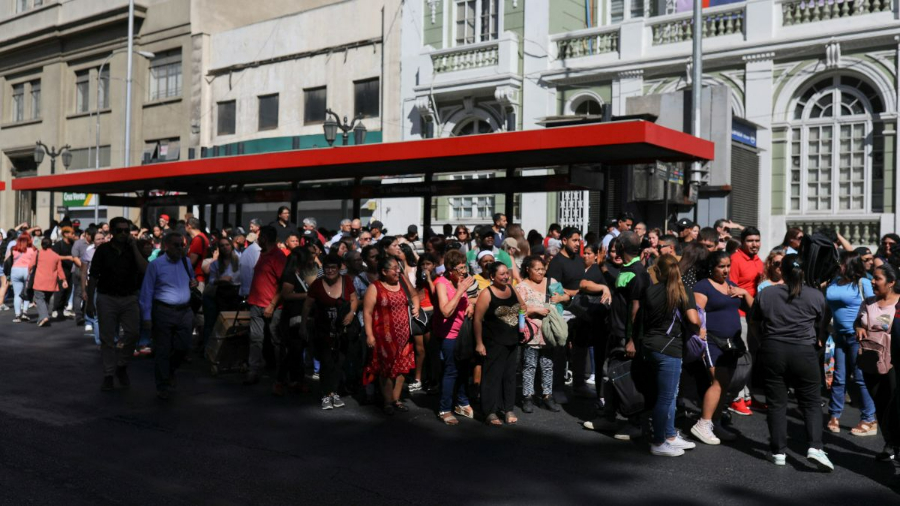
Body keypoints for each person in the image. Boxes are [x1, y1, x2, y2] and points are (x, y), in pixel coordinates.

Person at [749, 254, 832, 471]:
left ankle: (778, 451)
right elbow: (820, 325)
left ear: (781, 271)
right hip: (804, 352)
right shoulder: (816, 295)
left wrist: (764, 342)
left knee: (777, 404)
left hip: (773, 349)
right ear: (804, 271)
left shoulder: (766, 293)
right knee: (812, 402)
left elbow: (754, 324)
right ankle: (815, 446)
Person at [589, 232, 650, 440]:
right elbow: (618, 288)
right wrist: (603, 268)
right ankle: (609, 417)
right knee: (610, 375)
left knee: (629, 379)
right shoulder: (627, 269)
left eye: (616, 247)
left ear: (622, 248)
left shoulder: (638, 273)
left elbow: (636, 310)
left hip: (626, 336)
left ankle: (636, 424)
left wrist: (632, 339)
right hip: (615, 332)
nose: (613, 251)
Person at [690, 250, 753, 444]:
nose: (725, 270)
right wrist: (700, 335)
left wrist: (745, 293)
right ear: (712, 267)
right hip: (712, 341)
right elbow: (697, 314)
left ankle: (715, 423)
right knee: (718, 380)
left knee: (724, 384)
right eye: (721, 266)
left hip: (731, 343)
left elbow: (754, 308)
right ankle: (703, 423)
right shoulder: (703, 286)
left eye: (728, 266)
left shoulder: (733, 286)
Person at [641, 254, 701, 457]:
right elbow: (694, 319)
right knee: (666, 397)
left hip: (650, 345)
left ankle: (669, 435)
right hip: (670, 348)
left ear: (659, 271)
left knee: (669, 395)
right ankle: (658, 441)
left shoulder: (650, 290)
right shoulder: (683, 292)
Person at [87, 217, 148, 391]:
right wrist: (90, 301)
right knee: (107, 339)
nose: (123, 234)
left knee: (133, 333)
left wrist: (135, 246)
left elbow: (145, 269)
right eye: (119, 230)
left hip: (129, 297)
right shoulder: (103, 250)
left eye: (126, 230)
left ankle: (122, 366)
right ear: (112, 232)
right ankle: (108, 375)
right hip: (107, 297)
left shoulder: (133, 249)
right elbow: (93, 277)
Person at [139, 232, 198, 400]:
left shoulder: (186, 262)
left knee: (184, 347)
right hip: (163, 310)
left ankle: (170, 370)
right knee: (163, 350)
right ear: (166, 246)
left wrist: (194, 283)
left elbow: (191, 280)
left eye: (182, 245)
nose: (180, 248)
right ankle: (162, 384)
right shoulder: (156, 265)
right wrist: (147, 317)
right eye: (176, 245)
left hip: (184, 311)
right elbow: (147, 291)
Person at [825, 251, 877, 436]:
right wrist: (821, 329)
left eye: (843, 263)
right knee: (838, 378)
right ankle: (834, 415)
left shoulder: (862, 283)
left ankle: (869, 418)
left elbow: (872, 309)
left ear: (852, 264)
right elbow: (827, 309)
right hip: (839, 336)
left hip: (858, 338)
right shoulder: (834, 281)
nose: (840, 266)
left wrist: (863, 328)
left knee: (860, 378)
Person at [301, 253, 358, 410]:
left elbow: (354, 300)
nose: (330, 270)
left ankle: (335, 392)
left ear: (340, 268)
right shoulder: (317, 284)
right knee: (326, 361)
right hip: (323, 329)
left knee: (339, 361)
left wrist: (351, 313)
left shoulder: (346, 281)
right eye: (327, 267)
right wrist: (303, 325)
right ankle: (326, 394)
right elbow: (307, 306)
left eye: (333, 267)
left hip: (343, 330)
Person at [856, 263, 900, 461]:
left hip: (893, 362)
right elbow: (859, 321)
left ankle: (896, 445)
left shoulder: (898, 304)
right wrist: (858, 327)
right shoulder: (868, 302)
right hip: (869, 359)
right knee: (879, 402)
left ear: (891, 283)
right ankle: (890, 441)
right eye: (872, 277)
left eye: (878, 278)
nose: (872, 281)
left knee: (893, 402)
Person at [363, 255, 415, 415]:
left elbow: (414, 295)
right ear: (384, 271)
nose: (398, 271)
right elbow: (368, 312)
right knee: (386, 369)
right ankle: (387, 402)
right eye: (394, 268)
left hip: (405, 335)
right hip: (384, 337)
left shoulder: (402, 282)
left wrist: (417, 308)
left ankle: (396, 399)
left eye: (398, 267)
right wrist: (369, 335)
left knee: (401, 369)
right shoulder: (375, 287)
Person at [474, 261, 525, 426]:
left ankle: (508, 408)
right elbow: (478, 320)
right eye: (501, 274)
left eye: (506, 273)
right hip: (494, 342)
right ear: (492, 277)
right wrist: (479, 343)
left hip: (512, 340)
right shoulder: (486, 294)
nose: (506, 276)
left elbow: (522, 307)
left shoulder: (511, 288)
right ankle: (490, 411)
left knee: (510, 376)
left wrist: (522, 326)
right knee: (492, 376)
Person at [517, 255, 568, 414]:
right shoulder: (521, 287)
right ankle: (528, 396)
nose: (540, 272)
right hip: (531, 333)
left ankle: (547, 396)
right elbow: (518, 310)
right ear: (528, 269)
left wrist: (560, 297)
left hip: (549, 333)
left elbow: (566, 296)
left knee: (548, 366)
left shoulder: (551, 282)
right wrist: (535, 310)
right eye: (536, 269)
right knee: (529, 366)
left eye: (542, 269)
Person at [434, 249, 476, 425]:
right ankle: (445, 408)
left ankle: (462, 402)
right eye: (459, 268)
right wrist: (460, 291)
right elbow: (445, 311)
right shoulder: (441, 283)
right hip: (448, 334)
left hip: (463, 332)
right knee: (451, 370)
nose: (463, 271)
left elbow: (471, 299)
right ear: (450, 270)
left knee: (464, 368)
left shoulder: (460, 281)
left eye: (464, 267)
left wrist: (471, 305)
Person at [244, 226, 287, 386]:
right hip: (256, 302)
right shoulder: (262, 253)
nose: (257, 239)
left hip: (272, 306)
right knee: (256, 338)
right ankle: (253, 370)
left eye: (260, 237)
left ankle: (281, 374)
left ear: (265, 238)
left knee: (276, 339)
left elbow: (284, 284)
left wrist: (272, 304)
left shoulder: (278, 256)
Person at [728, 226, 763, 414]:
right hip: (739, 314)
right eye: (750, 241)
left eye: (757, 240)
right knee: (742, 356)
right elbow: (731, 289)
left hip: (754, 316)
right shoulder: (735, 260)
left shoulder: (759, 261)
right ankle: (736, 397)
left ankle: (748, 396)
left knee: (751, 357)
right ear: (742, 242)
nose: (754, 244)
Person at [274, 247, 313, 396]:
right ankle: (280, 380)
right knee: (293, 350)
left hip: (302, 316)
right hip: (291, 318)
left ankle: (297, 381)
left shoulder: (303, 275)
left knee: (299, 350)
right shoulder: (290, 275)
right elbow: (287, 295)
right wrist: (307, 295)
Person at [411, 253, 438, 393]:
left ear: (434, 265)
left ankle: (433, 379)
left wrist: (429, 280)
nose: (425, 267)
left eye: (428, 264)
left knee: (431, 349)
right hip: (419, 315)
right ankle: (419, 378)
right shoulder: (418, 281)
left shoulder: (438, 279)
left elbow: (437, 297)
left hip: (432, 314)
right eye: (423, 264)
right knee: (419, 349)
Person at [31, 237, 68, 327]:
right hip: (51, 282)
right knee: (45, 300)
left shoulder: (38, 253)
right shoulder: (56, 255)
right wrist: (64, 280)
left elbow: (31, 264)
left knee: (39, 299)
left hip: (40, 281)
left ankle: (44, 316)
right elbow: (60, 270)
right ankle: (42, 319)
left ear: (42, 244)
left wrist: (28, 273)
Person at [7, 233, 37, 322]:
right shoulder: (33, 249)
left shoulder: (13, 249)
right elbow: (35, 262)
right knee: (27, 293)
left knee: (17, 294)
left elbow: (7, 260)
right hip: (28, 271)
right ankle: (24, 312)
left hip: (15, 270)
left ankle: (17, 315)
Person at [50, 226, 76, 319]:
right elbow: (54, 257)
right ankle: (55, 309)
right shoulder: (58, 245)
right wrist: (67, 257)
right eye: (71, 233)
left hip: (71, 270)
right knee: (60, 290)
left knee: (68, 291)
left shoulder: (73, 244)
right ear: (65, 234)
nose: (73, 235)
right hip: (61, 270)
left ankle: (63, 308)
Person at [70, 227, 94, 326]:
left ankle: (86, 314)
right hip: (79, 271)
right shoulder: (78, 243)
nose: (92, 238)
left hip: (91, 272)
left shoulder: (94, 244)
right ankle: (79, 316)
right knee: (79, 293)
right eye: (90, 236)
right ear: (86, 234)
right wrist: (84, 267)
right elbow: (74, 257)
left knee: (88, 294)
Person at [185, 218, 210, 290]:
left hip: (197, 280)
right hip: (198, 278)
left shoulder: (198, 239)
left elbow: (191, 262)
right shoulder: (202, 237)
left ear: (189, 226)